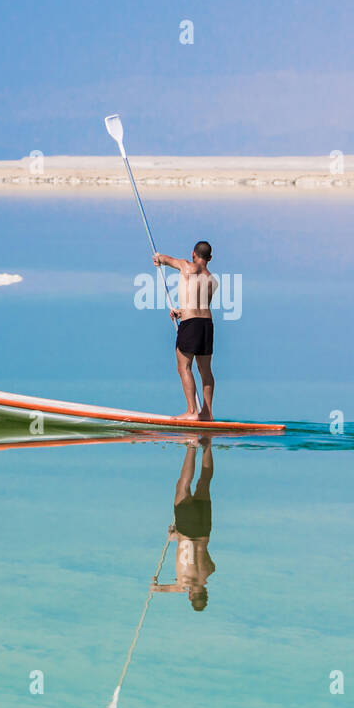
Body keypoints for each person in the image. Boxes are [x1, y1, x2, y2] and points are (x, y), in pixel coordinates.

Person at [153, 241, 217, 421]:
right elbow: (200, 305)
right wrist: (181, 312)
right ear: (210, 258)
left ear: (193, 254)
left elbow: (166, 260)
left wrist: (158, 258)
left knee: (183, 366)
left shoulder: (186, 265)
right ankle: (207, 413)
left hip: (192, 325)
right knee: (205, 371)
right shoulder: (212, 280)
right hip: (207, 324)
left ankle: (191, 412)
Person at [152, 439, 215, 611]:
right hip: (186, 529)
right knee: (183, 486)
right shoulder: (183, 584)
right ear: (190, 596)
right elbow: (168, 588)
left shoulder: (208, 572)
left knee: (204, 483)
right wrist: (157, 588)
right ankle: (191, 445)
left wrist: (179, 537)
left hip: (203, 530)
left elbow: (203, 556)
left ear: (205, 592)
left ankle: (207, 445)